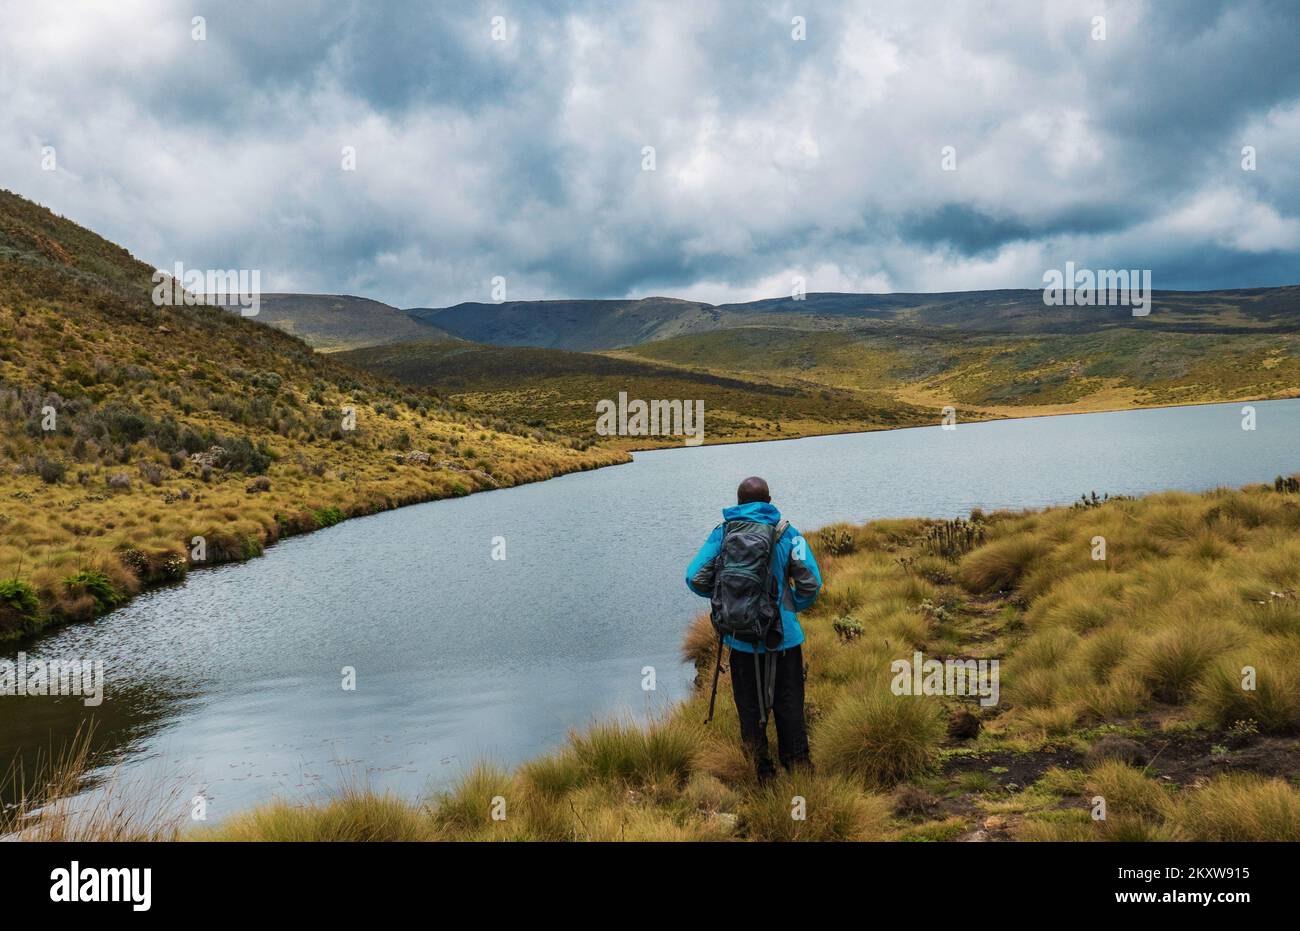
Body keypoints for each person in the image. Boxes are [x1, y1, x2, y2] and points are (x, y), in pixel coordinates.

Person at [685, 476, 822, 781]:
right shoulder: (787, 533)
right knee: (789, 706)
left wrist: (728, 600)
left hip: (741, 640)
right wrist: (791, 607)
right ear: (769, 501)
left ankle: (760, 774)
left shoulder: (722, 533)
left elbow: (694, 577)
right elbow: (811, 583)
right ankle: (798, 770)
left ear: (738, 503)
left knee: (749, 709)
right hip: (783, 640)